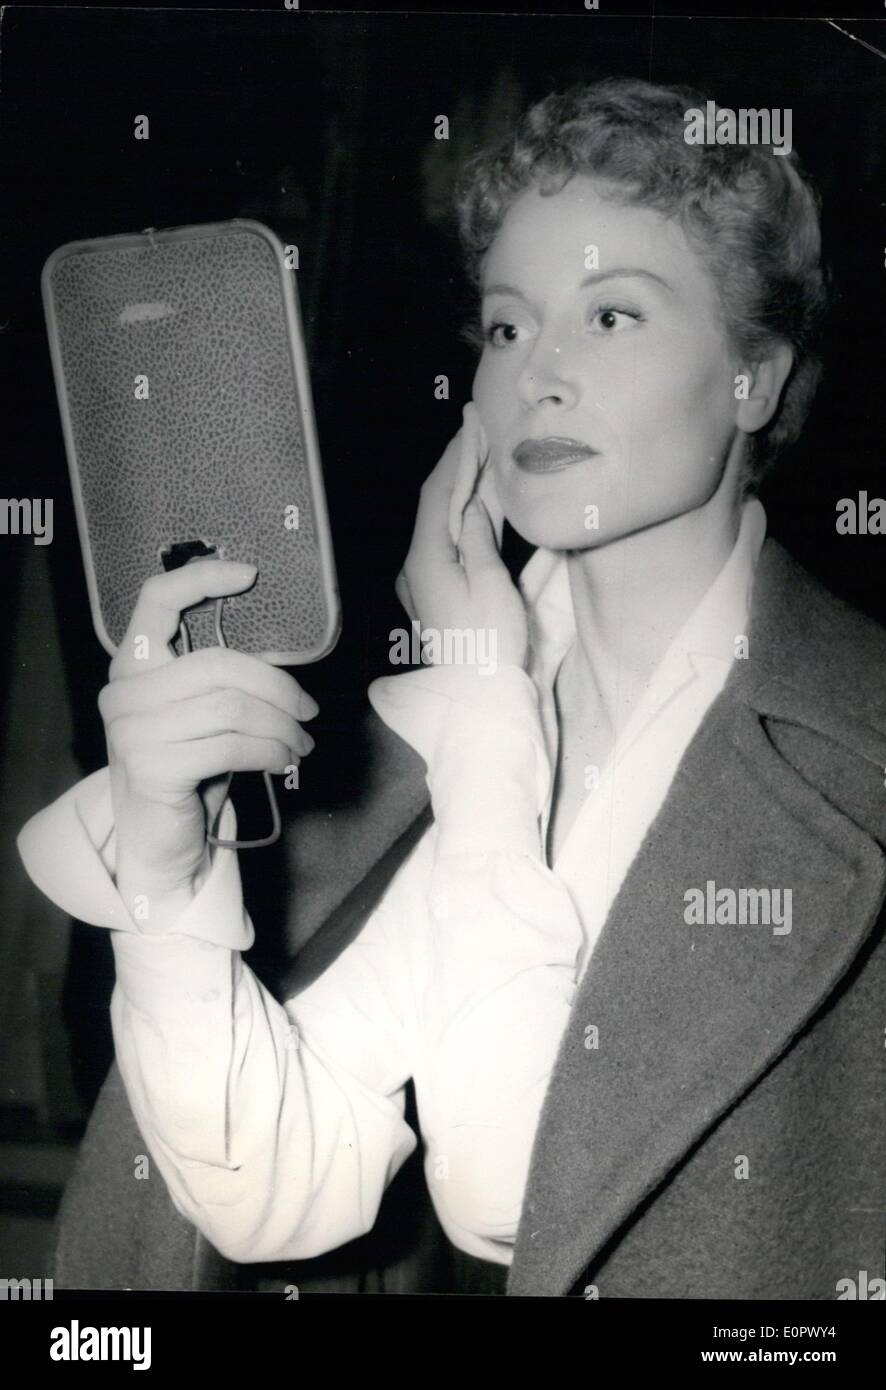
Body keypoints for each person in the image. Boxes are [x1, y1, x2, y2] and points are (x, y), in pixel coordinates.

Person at [18, 78, 886, 1299]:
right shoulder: (424, 728)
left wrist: (483, 709)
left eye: (614, 317)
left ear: (752, 378)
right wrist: (165, 879)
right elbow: (276, 1194)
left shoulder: (856, 751)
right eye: (507, 327)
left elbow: (536, 1197)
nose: (538, 376)